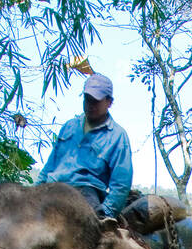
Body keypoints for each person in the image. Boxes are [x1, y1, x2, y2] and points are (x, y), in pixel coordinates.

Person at [37, 73, 133, 218]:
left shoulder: (117, 136)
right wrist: (34, 191)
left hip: (86, 194)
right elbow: (50, 166)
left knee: (86, 233)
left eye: (96, 101)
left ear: (109, 102)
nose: (90, 105)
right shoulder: (69, 126)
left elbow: (121, 184)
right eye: (87, 100)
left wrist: (105, 214)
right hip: (53, 187)